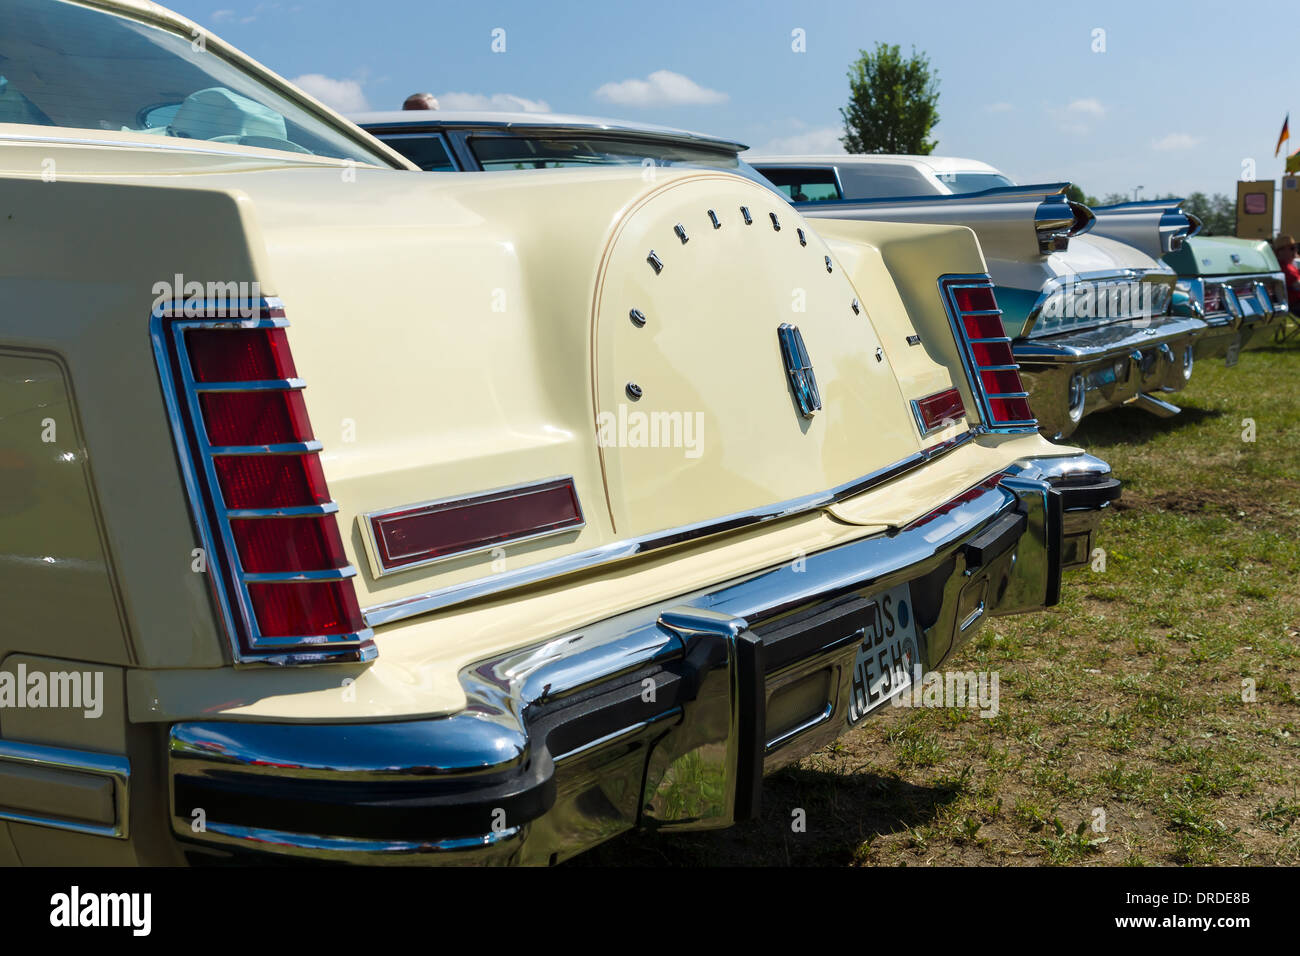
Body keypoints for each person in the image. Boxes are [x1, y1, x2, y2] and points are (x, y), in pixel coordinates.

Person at [1274, 234, 1300, 314]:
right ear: (1280, 251)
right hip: (1294, 304)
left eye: (1295, 248)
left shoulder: (1290, 266)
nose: (1295, 251)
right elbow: (1297, 285)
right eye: (1292, 248)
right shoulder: (1282, 268)